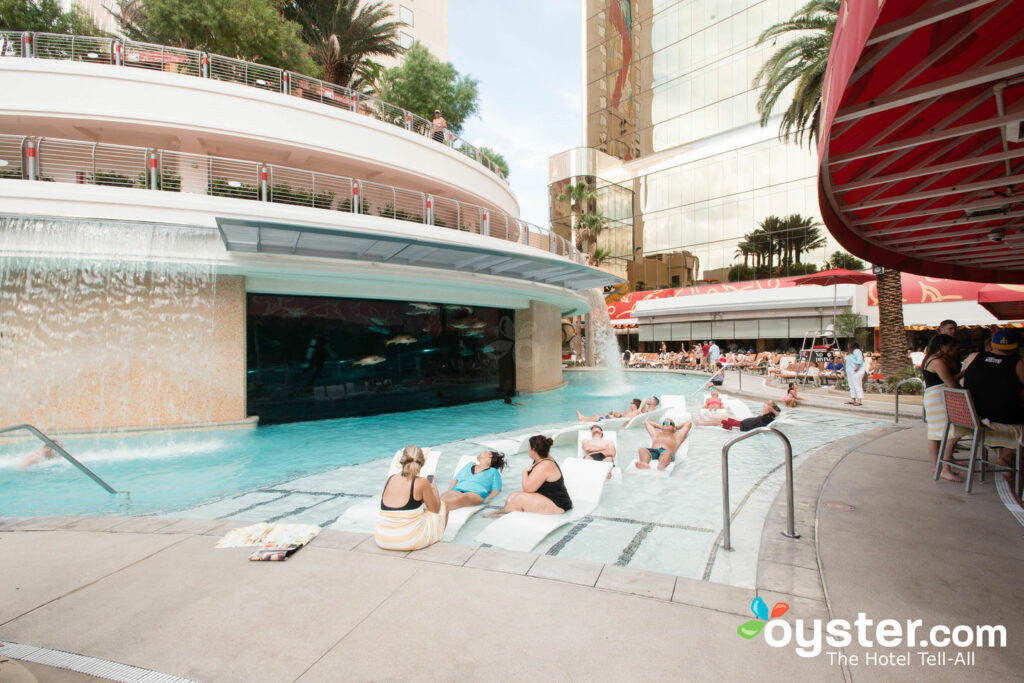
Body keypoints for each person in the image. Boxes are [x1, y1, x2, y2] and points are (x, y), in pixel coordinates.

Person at [961, 328, 1024, 477]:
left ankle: (1008, 459)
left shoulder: (976, 358)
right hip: (1001, 417)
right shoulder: (1017, 363)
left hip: (976, 415)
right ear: (1015, 346)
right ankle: (1006, 458)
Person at [375, 445, 447, 551]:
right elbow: (435, 509)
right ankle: (437, 539)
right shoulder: (422, 482)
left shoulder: (391, 478)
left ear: (402, 460)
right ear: (422, 462)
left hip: (382, 539)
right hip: (407, 541)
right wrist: (434, 488)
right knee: (442, 507)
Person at [487, 436, 571, 515]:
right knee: (511, 497)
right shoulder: (542, 457)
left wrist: (524, 472)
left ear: (533, 450)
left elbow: (527, 489)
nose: (528, 450)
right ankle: (504, 513)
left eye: (529, 448)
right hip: (546, 497)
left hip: (558, 504)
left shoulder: (544, 466)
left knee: (519, 499)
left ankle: (501, 517)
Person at [920, 334, 962, 483]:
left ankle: (938, 466)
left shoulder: (930, 359)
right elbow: (950, 383)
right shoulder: (937, 361)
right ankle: (945, 468)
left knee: (935, 433)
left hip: (933, 397)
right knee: (952, 433)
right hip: (939, 398)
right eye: (950, 346)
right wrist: (965, 372)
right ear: (941, 346)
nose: (953, 349)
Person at [441, 450, 506, 511]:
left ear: (490, 455)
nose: (481, 452)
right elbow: (456, 479)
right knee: (444, 495)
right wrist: (449, 491)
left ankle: (440, 508)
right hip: (458, 489)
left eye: (484, 452)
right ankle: (436, 507)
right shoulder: (469, 465)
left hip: (477, 493)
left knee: (464, 497)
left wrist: (488, 498)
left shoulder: (493, 471)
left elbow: (496, 490)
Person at [714, 400, 781, 431]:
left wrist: (770, 407)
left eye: (764, 406)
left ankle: (703, 423)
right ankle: (707, 418)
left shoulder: (769, 416)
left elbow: (777, 412)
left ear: (770, 407)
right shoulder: (766, 416)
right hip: (740, 423)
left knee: (719, 420)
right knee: (723, 418)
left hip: (740, 427)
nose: (763, 407)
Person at [576, 398, 642, 422]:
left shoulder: (636, 412)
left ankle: (582, 419)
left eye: (631, 403)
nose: (630, 404)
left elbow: (623, 420)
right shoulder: (630, 412)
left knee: (597, 417)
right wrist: (612, 415)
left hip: (615, 421)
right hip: (615, 419)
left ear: (634, 405)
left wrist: (612, 417)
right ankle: (584, 417)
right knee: (599, 415)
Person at [845, 341, 865, 406]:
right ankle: (853, 399)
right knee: (852, 386)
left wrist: (856, 367)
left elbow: (859, 360)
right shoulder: (850, 353)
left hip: (856, 370)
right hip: (850, 371)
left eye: (849, 345)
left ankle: (859, 400)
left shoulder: (857, 351)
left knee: (857, 385)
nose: (848, 346)